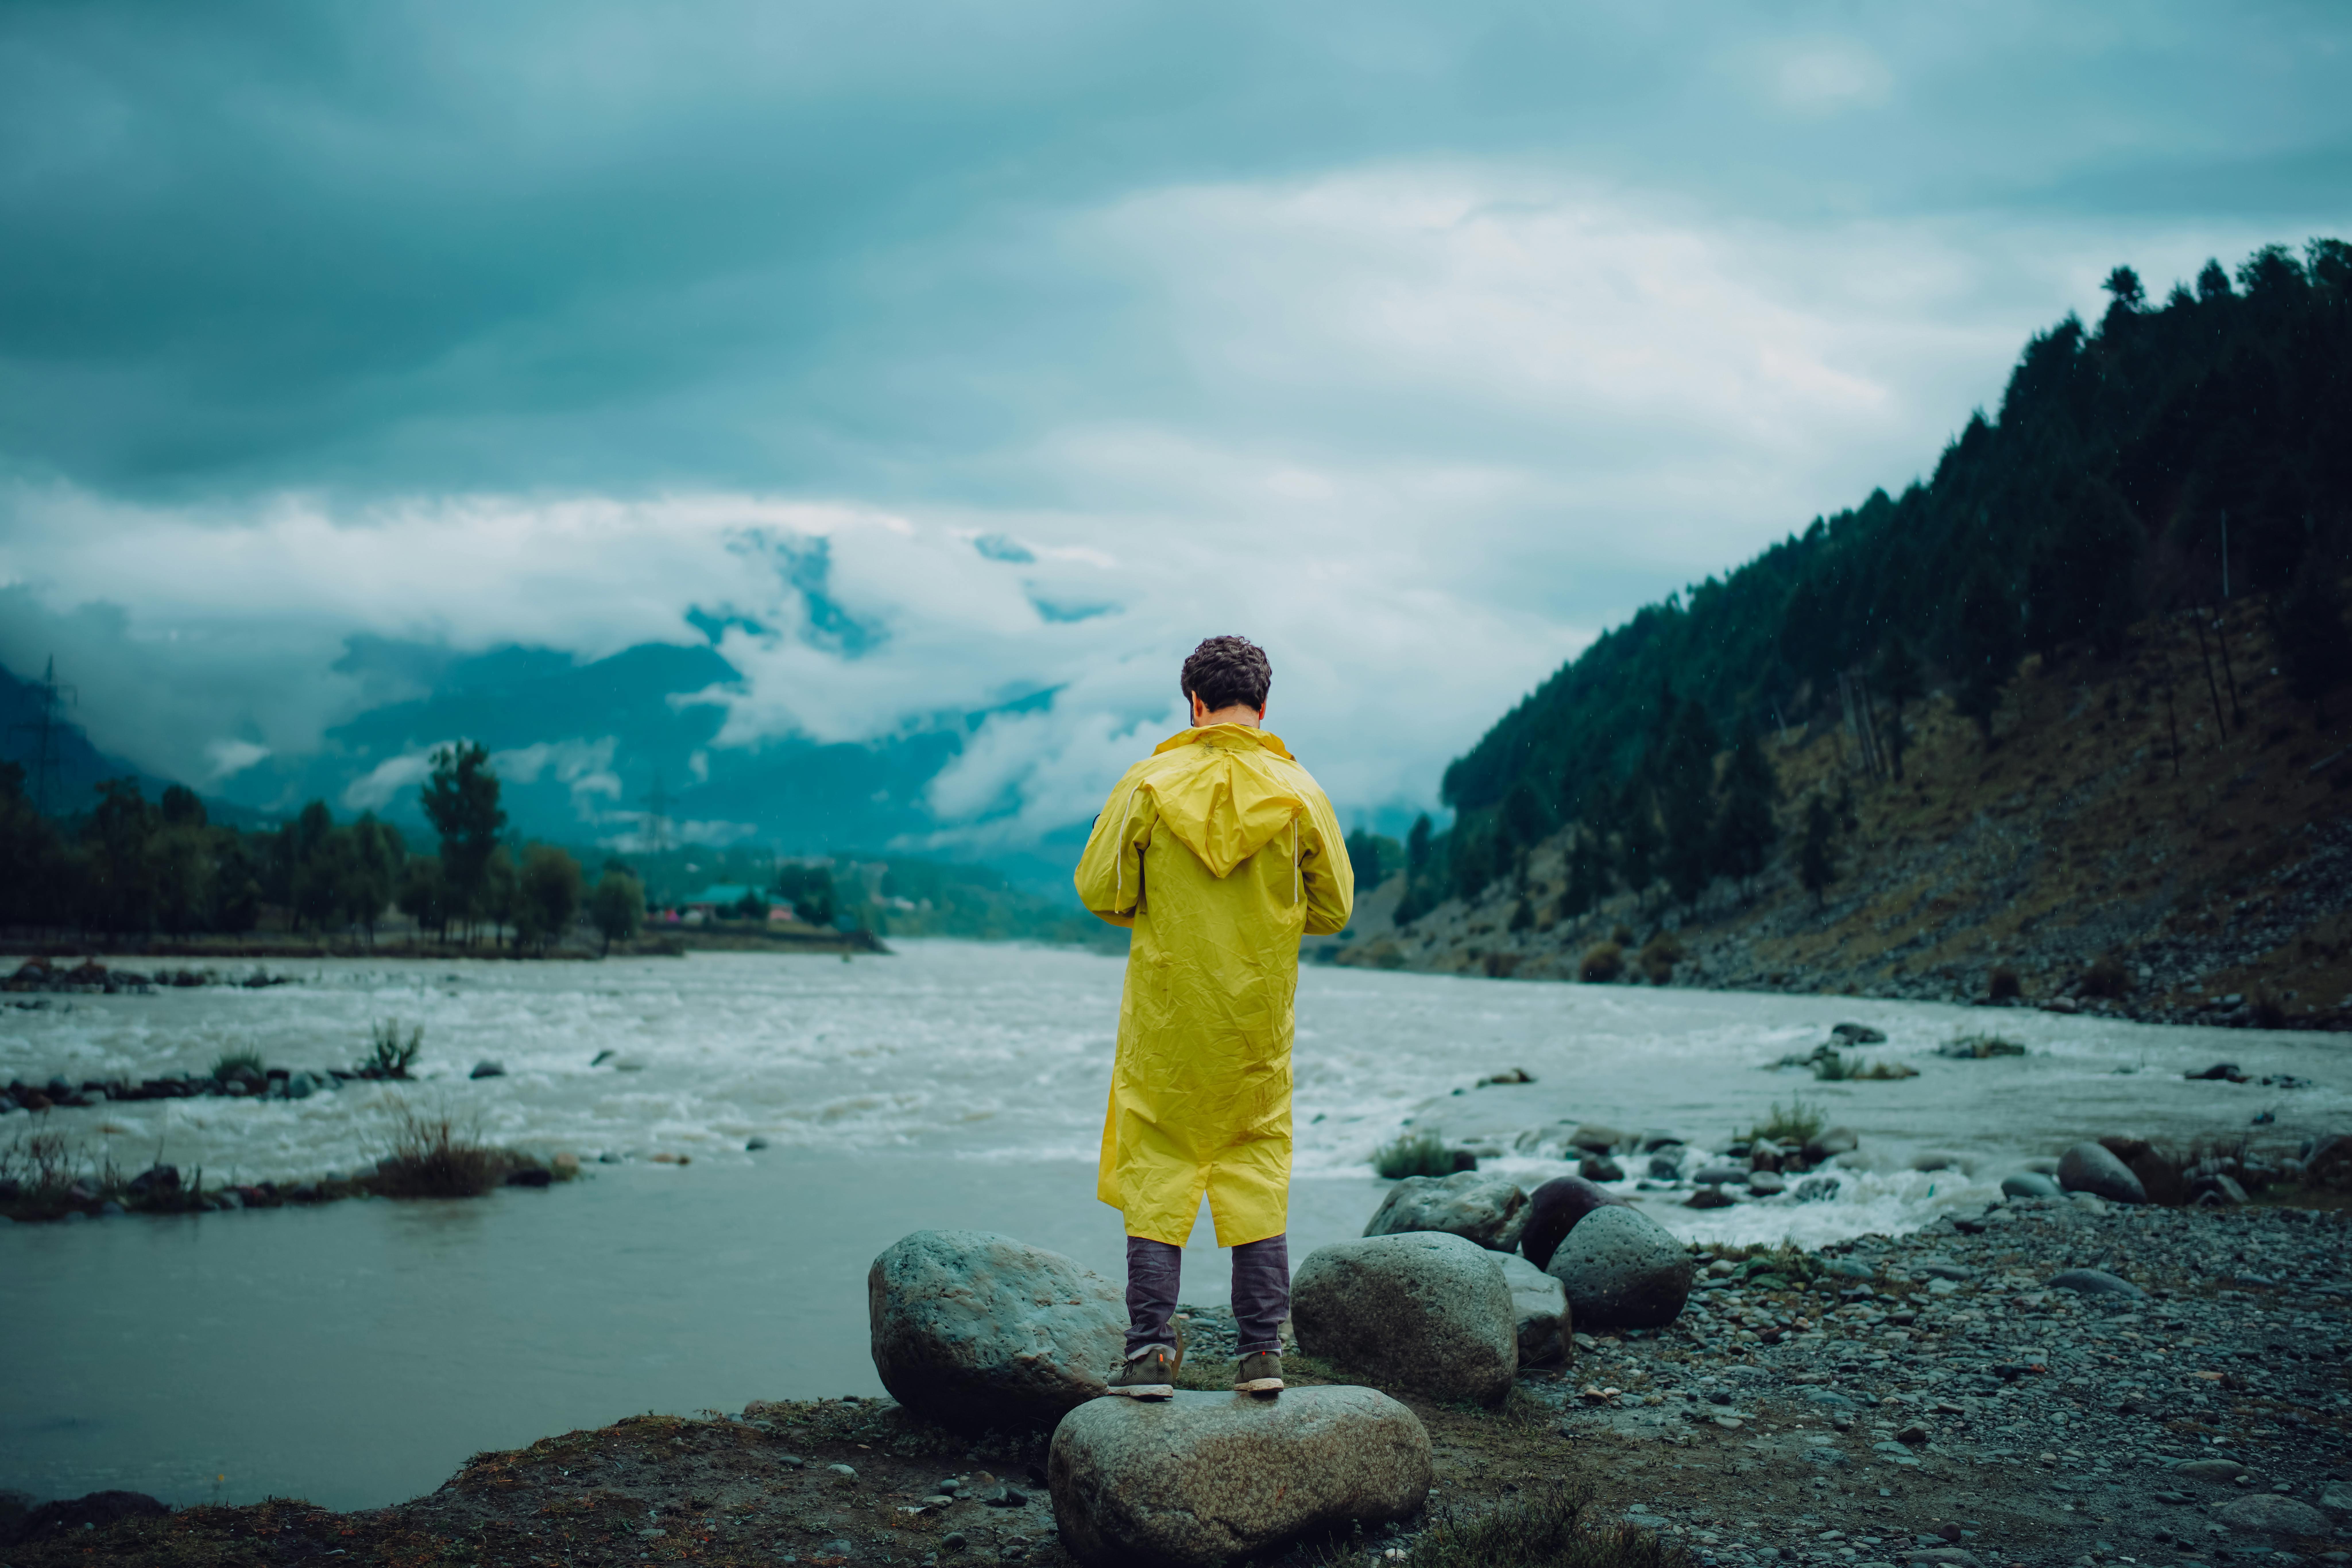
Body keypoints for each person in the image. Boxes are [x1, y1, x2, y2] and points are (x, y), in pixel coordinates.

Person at [1072, 635, 1353, 1398]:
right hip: (1256, 1025)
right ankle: (1262, 1354)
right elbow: (1335, 908)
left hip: (1166, 1024)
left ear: (1195, 704)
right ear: (1263, 706)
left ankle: (1150, 1357)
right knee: (1256, 1168)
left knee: (1157, 1175)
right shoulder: (1300, 794)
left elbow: (1102, 892)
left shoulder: (1147, 784)